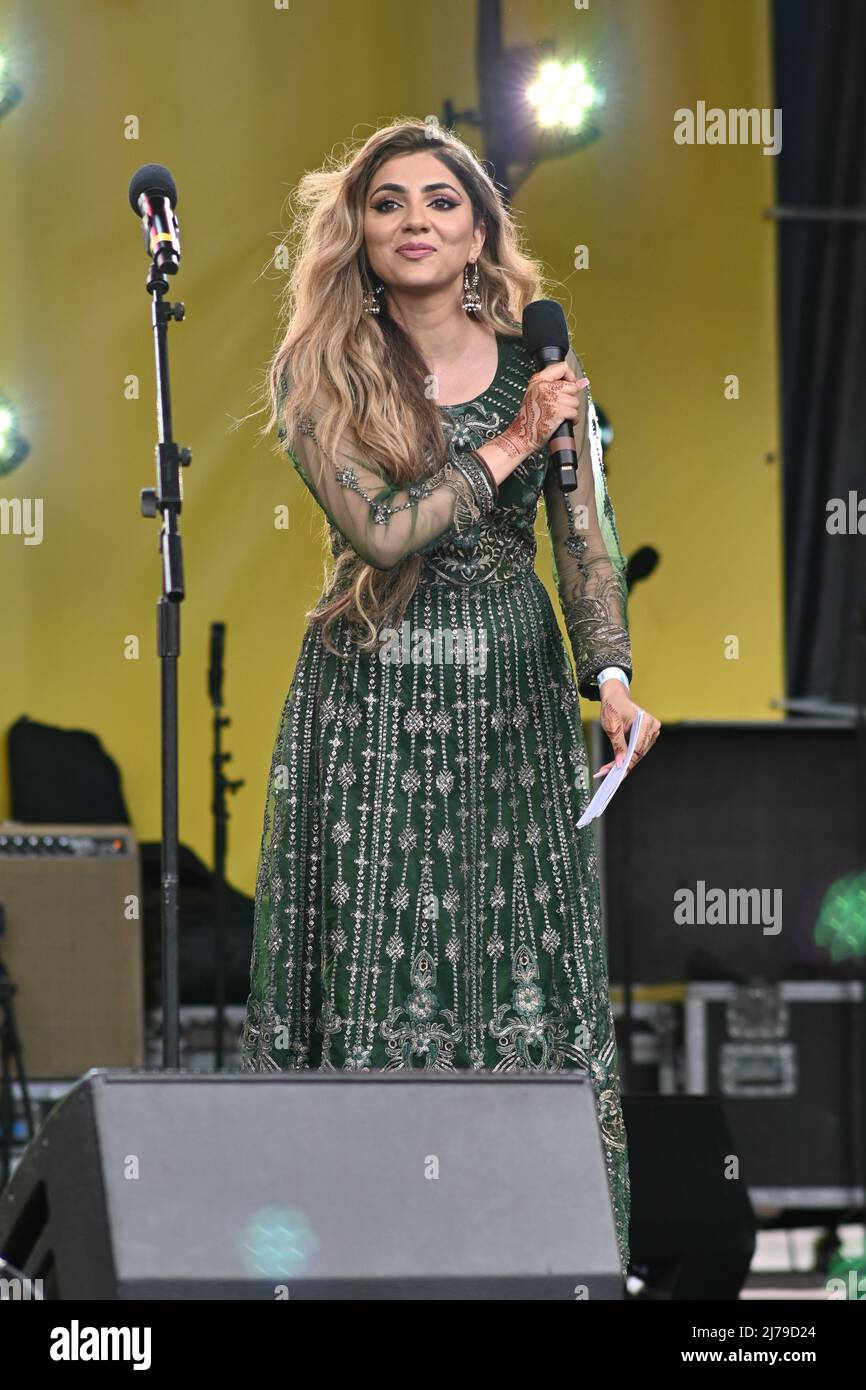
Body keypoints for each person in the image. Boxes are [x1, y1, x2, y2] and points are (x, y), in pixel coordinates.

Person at [240, 117, 661, 1276]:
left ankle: (532, 1247)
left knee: (517, 949)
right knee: (378, 943)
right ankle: (361, 1249)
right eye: (387, 204)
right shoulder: (319, 370)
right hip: (372, 685)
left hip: (513, 696)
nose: (413, 221)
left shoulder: (544, 362)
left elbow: (584, 537)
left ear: (478, 230)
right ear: (358, 235)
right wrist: (505, 445)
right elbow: (378, 534)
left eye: (439, 200)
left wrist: (611, 680)